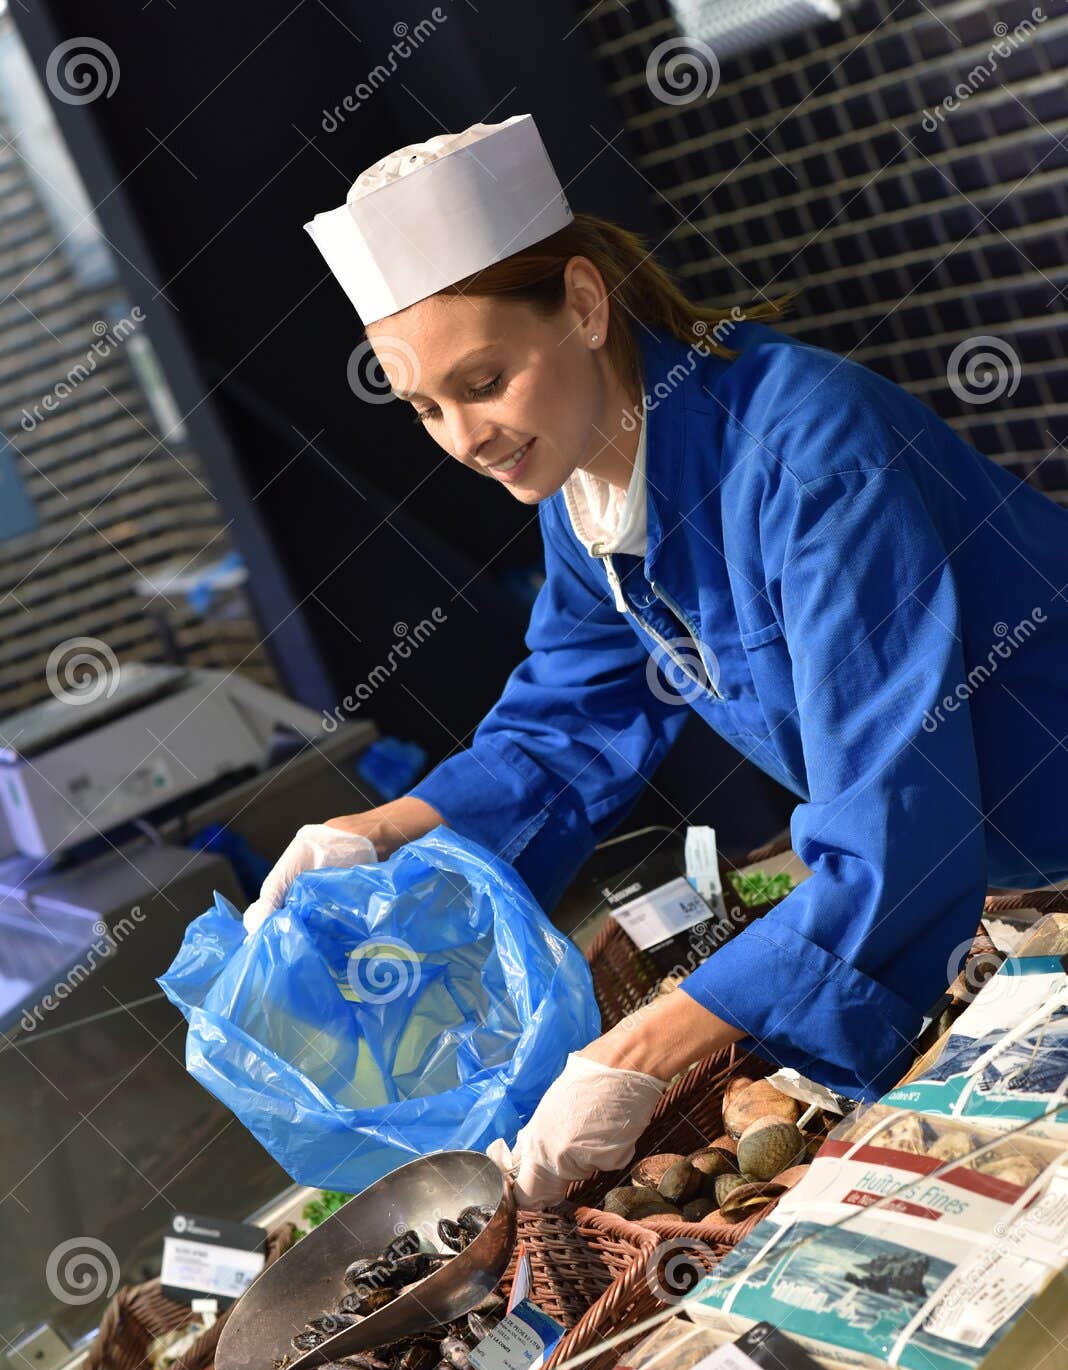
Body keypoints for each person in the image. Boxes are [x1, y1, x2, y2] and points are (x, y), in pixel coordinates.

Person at [249, 114, 1068, 1204]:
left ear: (584, 306)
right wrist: (377, 832)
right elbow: (566, 725)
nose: (464, 439)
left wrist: (634, 1051)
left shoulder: (810, 460)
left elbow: (891, 825)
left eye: (485, 379)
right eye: (425, 407)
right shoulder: (584, 488)